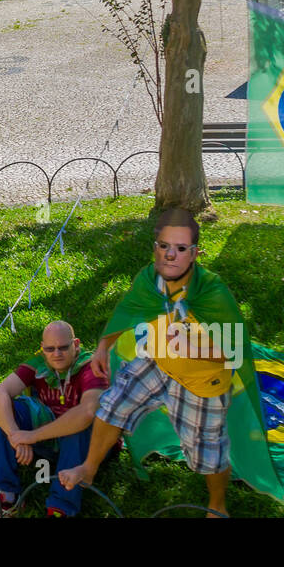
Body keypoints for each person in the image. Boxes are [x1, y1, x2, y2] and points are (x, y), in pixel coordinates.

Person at [59, 208, 251, 517]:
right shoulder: (150, 277)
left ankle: (217, 506)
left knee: (206, 456)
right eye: (164, 246)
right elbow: (129, 307)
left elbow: (234, 350)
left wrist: (193, 347)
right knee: (112, 406)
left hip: (201, 381)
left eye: (180, 248)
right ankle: (89, 468)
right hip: (158, 361)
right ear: (155, 247)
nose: (170, 255)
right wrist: (103, 347)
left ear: (194, 253)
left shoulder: (212, 293)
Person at [0, 321, 110, 518]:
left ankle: (60, 509)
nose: (56, 354)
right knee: (9, 411)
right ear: (43, 348)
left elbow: (86, 413)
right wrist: (15, 434)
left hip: (86, 446)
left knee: (78, 426)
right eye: (50, 349)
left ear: (76, 344)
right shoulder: (38, 363)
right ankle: (7, 498)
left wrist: (31, 437)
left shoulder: (92, 367)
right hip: (47, 438)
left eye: (63, 347)